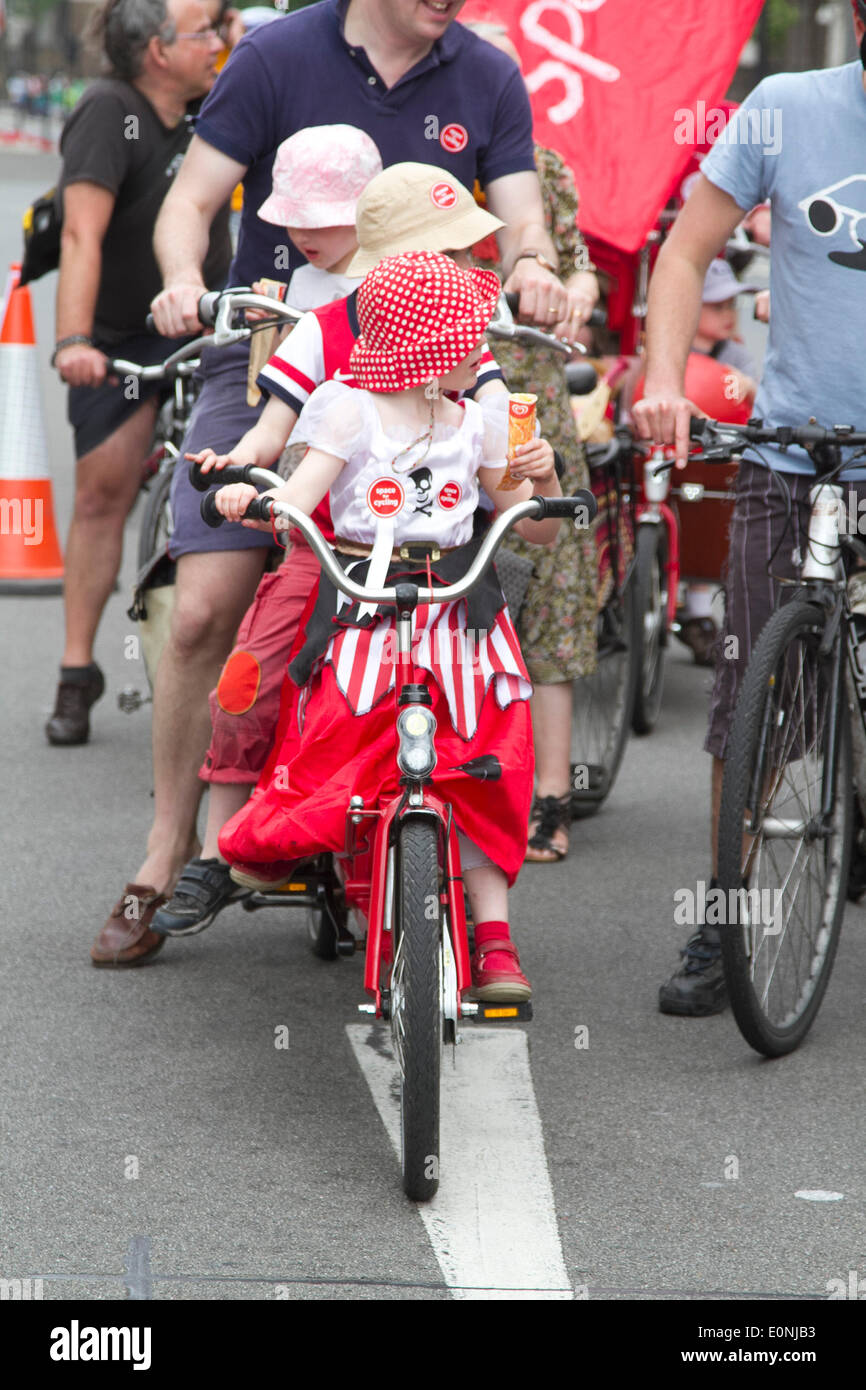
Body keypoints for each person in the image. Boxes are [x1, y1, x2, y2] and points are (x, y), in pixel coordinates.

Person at [95, 0, 590, 965]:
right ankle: (176, 851)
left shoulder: (484, 82)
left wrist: (535, 270)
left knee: (468, 629)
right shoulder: (276, 54)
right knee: (211, 616)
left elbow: (526, 218)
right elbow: (190, 203)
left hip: (424, 407)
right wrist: (181, 284)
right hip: (283, 359)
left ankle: (434, 861)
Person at [150, 161, 507, 937]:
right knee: (253, 675)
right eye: (451, 251)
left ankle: (475, 882)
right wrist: (241, 466)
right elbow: (272, 430)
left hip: (429, 554)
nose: (467, 267)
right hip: (332, 544)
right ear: (402, 256)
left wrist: (528, 473)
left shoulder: (461, 333)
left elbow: (497, 445)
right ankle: (217, 847)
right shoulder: (327, 329)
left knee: (484, 690)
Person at [212, 251, 564, 1000]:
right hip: (370, 606)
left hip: (457, 606)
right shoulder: (348, 407)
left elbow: (533, 531)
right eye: (469, 337)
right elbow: (303, 494)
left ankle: (495, 940)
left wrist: (545, 477)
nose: (481, 351)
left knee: (486, 755)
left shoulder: (477, 421)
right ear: (434, 347)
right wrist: (260, 500)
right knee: (338, 734)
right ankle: (307, 846)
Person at [635, 0, 866, 1016]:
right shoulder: (783, 106)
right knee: (747, 709)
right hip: (791, 453)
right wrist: (660, 377)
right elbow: (684, 253)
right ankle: (726, 913)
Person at [46, 0, 229, 749]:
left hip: (206, 321)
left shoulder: (218, 105)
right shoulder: (108, 112)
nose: (221, 40)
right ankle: (77, 668)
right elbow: (81, 235)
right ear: (157, 51)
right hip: (122, 335)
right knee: (105, 491)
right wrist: (74, 341)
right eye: (207, 31)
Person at [466, 20, 599, 864]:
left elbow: (583, 260)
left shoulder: (542, 171)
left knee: (547, 587)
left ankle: (552, 794)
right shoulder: (418, 171)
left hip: (530, 394)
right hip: (433, 394)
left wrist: (576, 291)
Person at [676, 257, 761, 668]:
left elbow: (759, 406)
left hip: (717, 463)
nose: (729, 315)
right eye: (716, 306)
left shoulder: (737, 359)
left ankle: (701, 611)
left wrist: (746, 388)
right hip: (671, 458)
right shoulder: (670, 354)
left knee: (712, 522)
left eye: (731, 305)